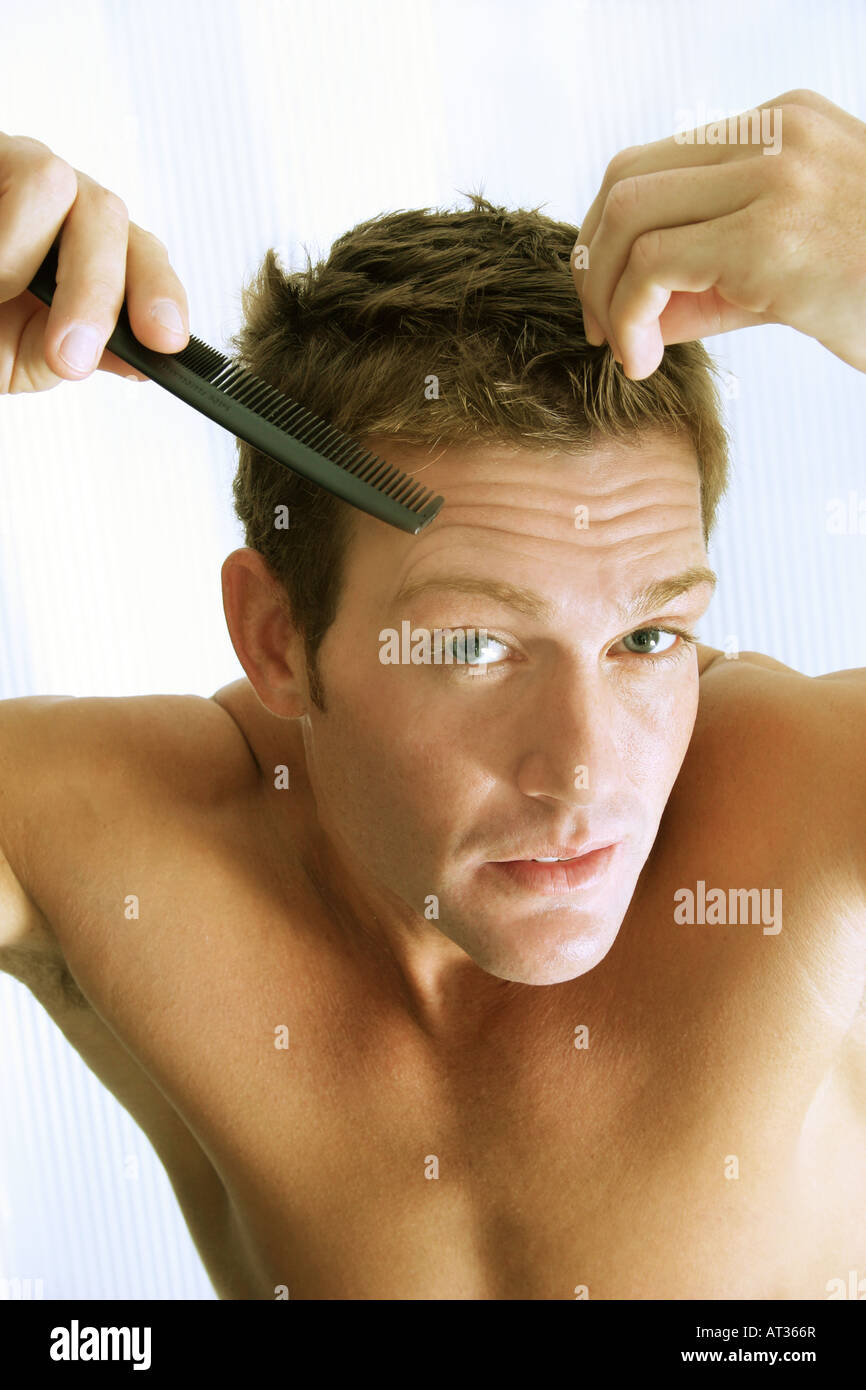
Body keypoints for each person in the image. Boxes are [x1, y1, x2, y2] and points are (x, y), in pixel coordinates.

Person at [1, 89, 864, 1301]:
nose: (579, 773)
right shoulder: (110, 843)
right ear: (277, 635)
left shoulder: (821, 813)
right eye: (470, 645)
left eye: (647, 635)